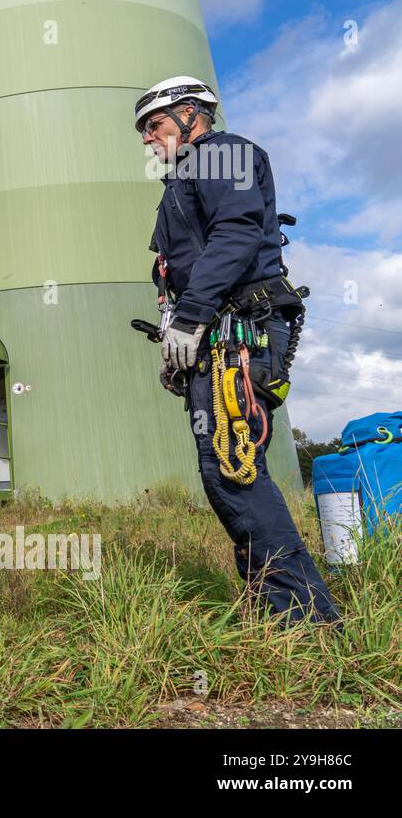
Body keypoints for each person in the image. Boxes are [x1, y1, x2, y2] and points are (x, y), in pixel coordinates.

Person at [138, 75, 339, 625]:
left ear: (189, 114)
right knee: (224, 467)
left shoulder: (221, 155)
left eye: (153, 126)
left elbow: (237, 234)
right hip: (216, 337)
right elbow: (173, 269)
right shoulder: (178, 185)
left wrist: (192, 317)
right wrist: (174, 339)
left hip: (239, 332)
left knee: (234, 468)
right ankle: (273, 608)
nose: (147, 140)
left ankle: (306, 620)